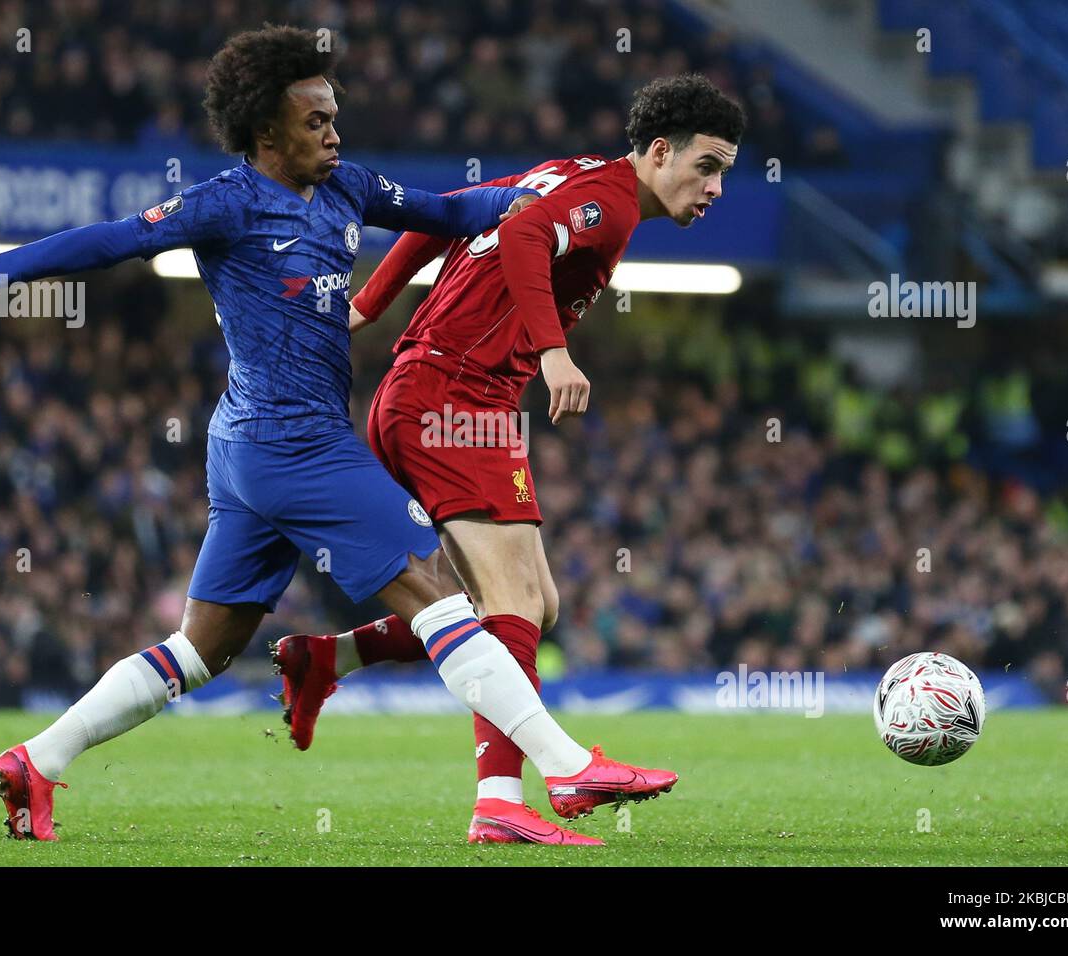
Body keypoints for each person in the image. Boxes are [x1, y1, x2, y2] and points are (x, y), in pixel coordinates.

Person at [0, 25, 675, 845]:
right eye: (316, 122)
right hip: (289, 443)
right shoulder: (225, 202)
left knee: (203, 647)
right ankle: (561, 765)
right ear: (267, 134)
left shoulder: (345, 188)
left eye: (335, 117)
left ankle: (37, 760)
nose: (335, 135)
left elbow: (442, 211)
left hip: (252, 449)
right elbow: (113, 241)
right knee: (434, 591)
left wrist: (518, 204)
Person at [274, 73, 743, 843]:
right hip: (456, 399)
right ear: (661, 153)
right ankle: (502, 803)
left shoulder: (568, 174)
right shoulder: (612, 203)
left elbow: (451, 215)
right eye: (708, 166)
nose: (717, 186)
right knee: (515, 606)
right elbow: (519, 237)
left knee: (533, 607)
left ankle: (328, 659)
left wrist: (369, 304)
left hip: (433, 394)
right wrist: (556, 355)